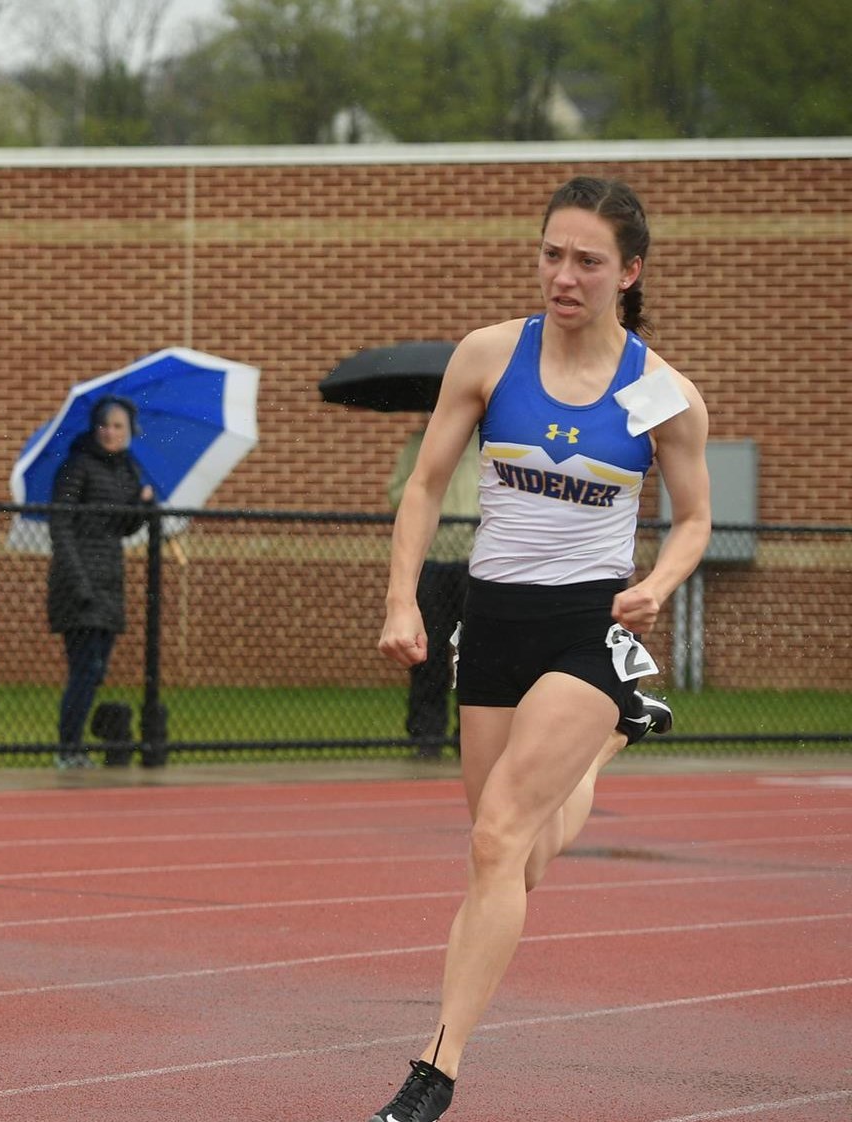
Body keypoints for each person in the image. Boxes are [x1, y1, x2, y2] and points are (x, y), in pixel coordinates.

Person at [369, 176, 710, 1122]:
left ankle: (436, 1067)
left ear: (628, 272)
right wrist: (404, 601)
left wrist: (659, 584)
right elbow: (426, 484)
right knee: (513, 859)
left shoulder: (661, 394)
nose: (565, 276)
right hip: (494, 621)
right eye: (552, 254)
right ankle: (614, 737)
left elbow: (695, 521)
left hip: (587, 626)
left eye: (588, 261)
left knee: (495, 835)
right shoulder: (488, 355)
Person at [46, 396, 153, 768]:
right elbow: (60, 526)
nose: (111, 432)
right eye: (105, 425)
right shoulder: (78, 467)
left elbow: (124, 527)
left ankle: (76, 745)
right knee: (84, 668)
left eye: (119, 426)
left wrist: (142, 504)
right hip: (78, 584)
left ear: (129, 431)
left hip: (110, 580)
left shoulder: (127, 471)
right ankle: (68, 748)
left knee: (97, 670)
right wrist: (78, 583)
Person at [387, 419, 478, 758]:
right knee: (427, 651)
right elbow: (398, 493)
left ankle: (469, 736)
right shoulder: (420, 443)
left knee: (477, 654)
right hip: (433, 561)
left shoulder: (492, 440)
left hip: (476, 561)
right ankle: (426, 735)